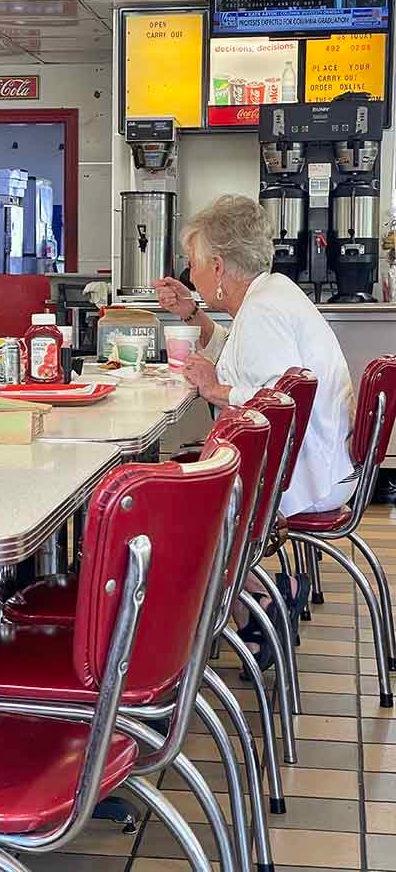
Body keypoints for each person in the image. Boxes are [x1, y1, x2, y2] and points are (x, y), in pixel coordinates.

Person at [154, 195, 357, 668]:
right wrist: (192, 314)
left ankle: (248, 611)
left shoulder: (264, 311)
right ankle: (260, 599)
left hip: (297, 475)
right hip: (310, 461)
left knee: (175, 505)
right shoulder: (272, 294)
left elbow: (271, 402)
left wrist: (215, 389)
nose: (190, 275)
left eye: (193, 265)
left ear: (219, 266)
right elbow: (240, 356)